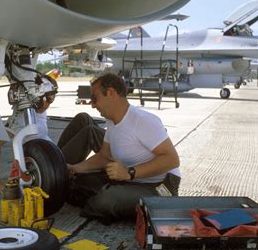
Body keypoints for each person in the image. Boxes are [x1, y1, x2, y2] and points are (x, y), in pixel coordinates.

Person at [67, 73, 181, 223]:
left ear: (111, 93)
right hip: (132, 181)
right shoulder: (112, 121)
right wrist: (75, 168)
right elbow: (104, 156)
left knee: (105, 200)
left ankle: (109, 201)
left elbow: (172, 160)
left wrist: (129, 173)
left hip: (160, 186)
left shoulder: (142, 120)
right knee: (78, 182)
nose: (92, 105)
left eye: (95, 98)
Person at [0, 93, 105, 194]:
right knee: (90, 132)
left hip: (53, 152)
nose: (47, 104)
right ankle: (111, 161)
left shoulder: (40, 110)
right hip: (48, 164)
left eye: (51, 99)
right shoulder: (21, 117)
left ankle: (107, 161)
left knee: (83, 118)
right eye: (45, 99)